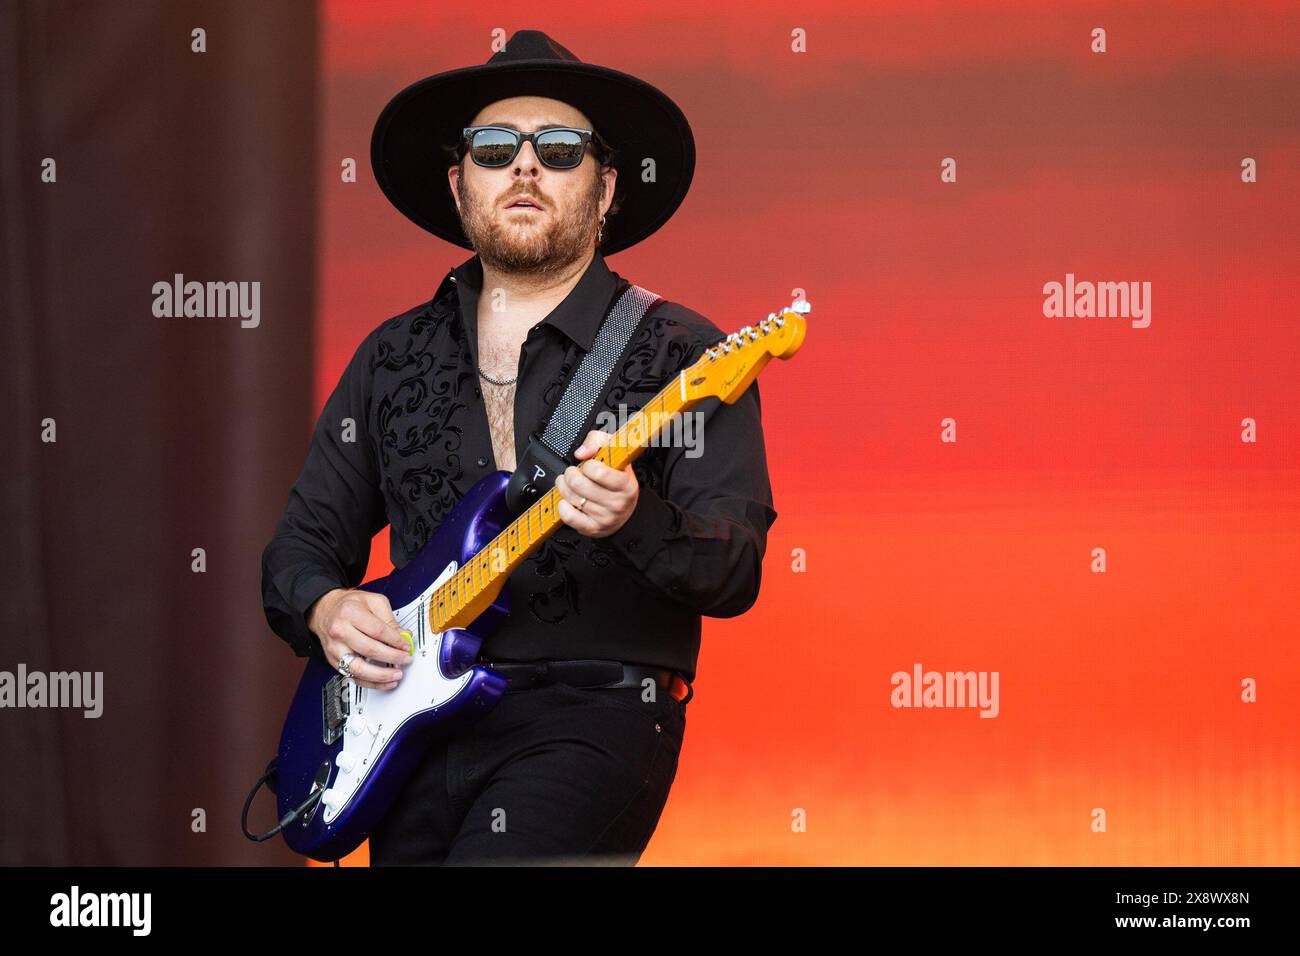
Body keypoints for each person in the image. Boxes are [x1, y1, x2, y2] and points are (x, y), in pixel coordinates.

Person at [261, 29, 777, 865]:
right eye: (496, 149)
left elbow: (737, 567)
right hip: (413, 732)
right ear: (460, 184)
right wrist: (325, 606)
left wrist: (637, 519)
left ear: (606, 189)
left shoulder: (685, 354)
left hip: (593, 721)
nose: (526, 167)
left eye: (561, 149)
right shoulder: (391, 357)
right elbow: (301, 546)